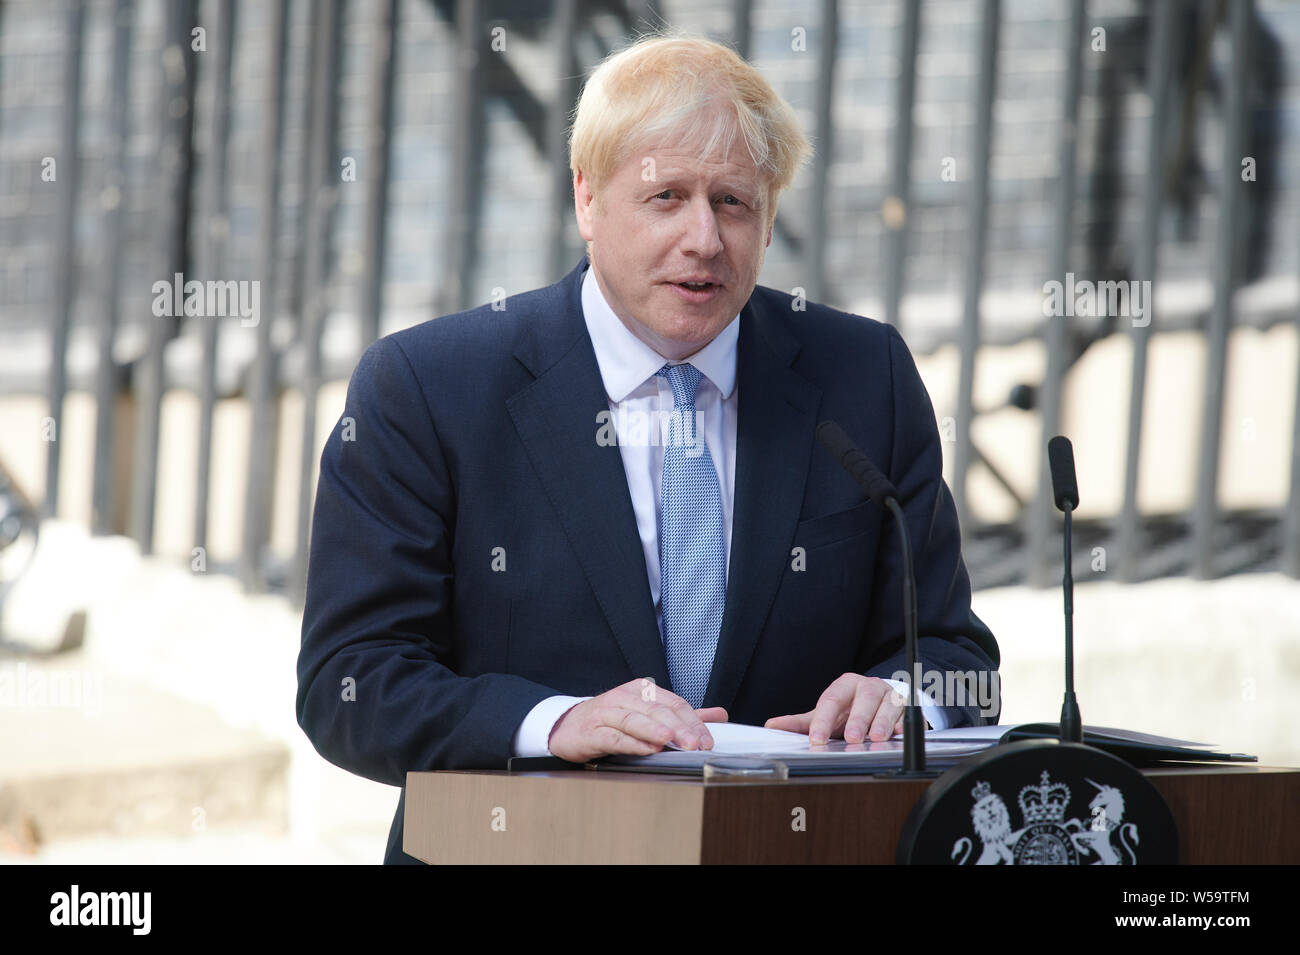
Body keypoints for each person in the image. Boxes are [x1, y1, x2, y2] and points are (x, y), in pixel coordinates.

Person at [297, 33, 1000, 865]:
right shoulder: (426, 387)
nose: (704, 239)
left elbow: (960, 658)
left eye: (734, 202)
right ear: (587, 200)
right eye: (666, 196)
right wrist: (553, 722)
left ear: (770, 217)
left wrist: (902, 695)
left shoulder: (863, 376)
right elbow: (352, 683)